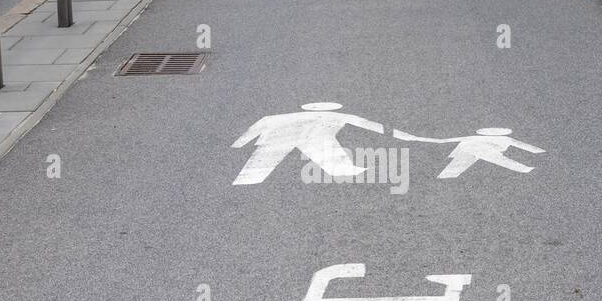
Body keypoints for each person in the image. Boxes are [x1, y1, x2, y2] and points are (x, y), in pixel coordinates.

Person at [232, 102, 385, 185]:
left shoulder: (275, 117)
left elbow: (256, 127)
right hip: (314, 139)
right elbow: (368, 124)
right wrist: (405, 137)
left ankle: (247, 180)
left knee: (255, 169)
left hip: (275, 140)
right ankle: (344, 170)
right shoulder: (336, 116)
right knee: (333, 159)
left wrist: (240, 143)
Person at [393, 127, 545, 179]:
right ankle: (524, 168)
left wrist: (416, 138)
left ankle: (523, 168)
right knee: (452, 170)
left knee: (452, 171)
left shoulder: (474, 137)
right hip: (473, 151)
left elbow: (442, 141)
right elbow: (531, 148)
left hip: (472, 151)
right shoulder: (506, 138)